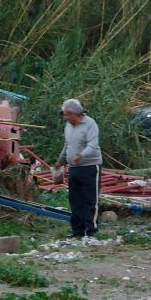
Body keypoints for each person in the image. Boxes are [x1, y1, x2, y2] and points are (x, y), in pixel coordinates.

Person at [53, 99, 102, 238]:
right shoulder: (68, 126)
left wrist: (81, 155)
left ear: (75, 113)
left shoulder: (90, 124)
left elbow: (92, 145)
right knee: (75, 199)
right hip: (73, 167)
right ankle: (77, 231)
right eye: (64, 114)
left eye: (67, 115)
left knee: (90, 199)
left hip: (90, 166)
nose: (65, 118)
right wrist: (60, 160)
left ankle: (91, 229)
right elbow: (67, 145)